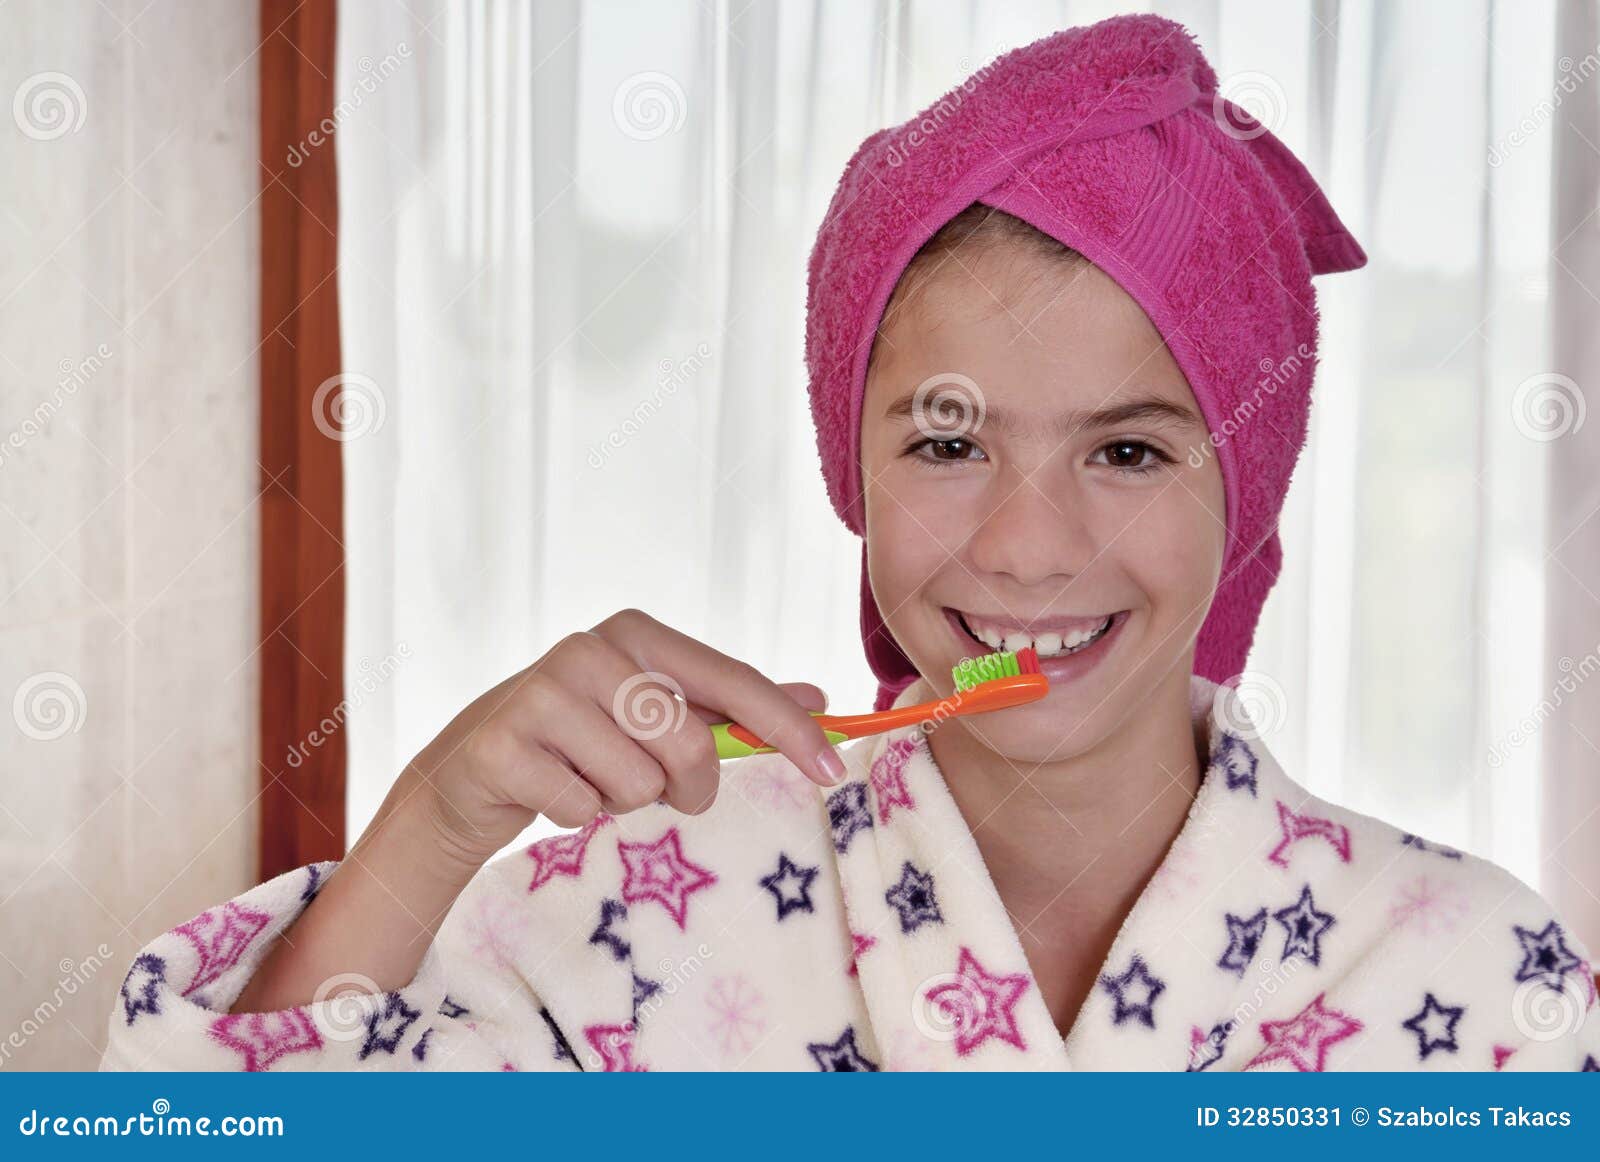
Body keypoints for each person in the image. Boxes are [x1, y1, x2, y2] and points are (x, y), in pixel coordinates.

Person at [102, 13, 1598, 1072]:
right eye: (948, 443)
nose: (1029, 549)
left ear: (1246, 492)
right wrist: (434, 820)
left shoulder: (1477, 984)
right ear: (852, 470)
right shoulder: (626, 915)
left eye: (1129, 450)